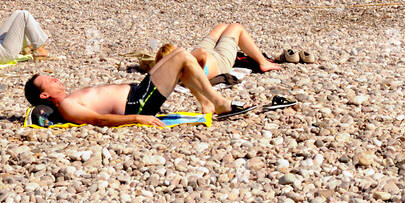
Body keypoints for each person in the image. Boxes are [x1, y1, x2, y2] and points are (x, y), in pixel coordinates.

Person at [25, 46, 253, 127]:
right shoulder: (67, 106)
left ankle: (206, 102)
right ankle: (220, 104)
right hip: (138, 103)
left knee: (181, 60)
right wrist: (137, 118)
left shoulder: (70, 98)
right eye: (50, 81)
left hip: (138, 94)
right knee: (181, 56)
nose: (56, 80)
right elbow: (98, 120)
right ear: (44, 94)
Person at [188, 21, 281, 78]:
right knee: (236, 27)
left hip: (204, 57)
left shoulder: (180, 68)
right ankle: (263, 63)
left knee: (222, 26)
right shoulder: (195, 75)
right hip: (219, 61)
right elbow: (201, 54)